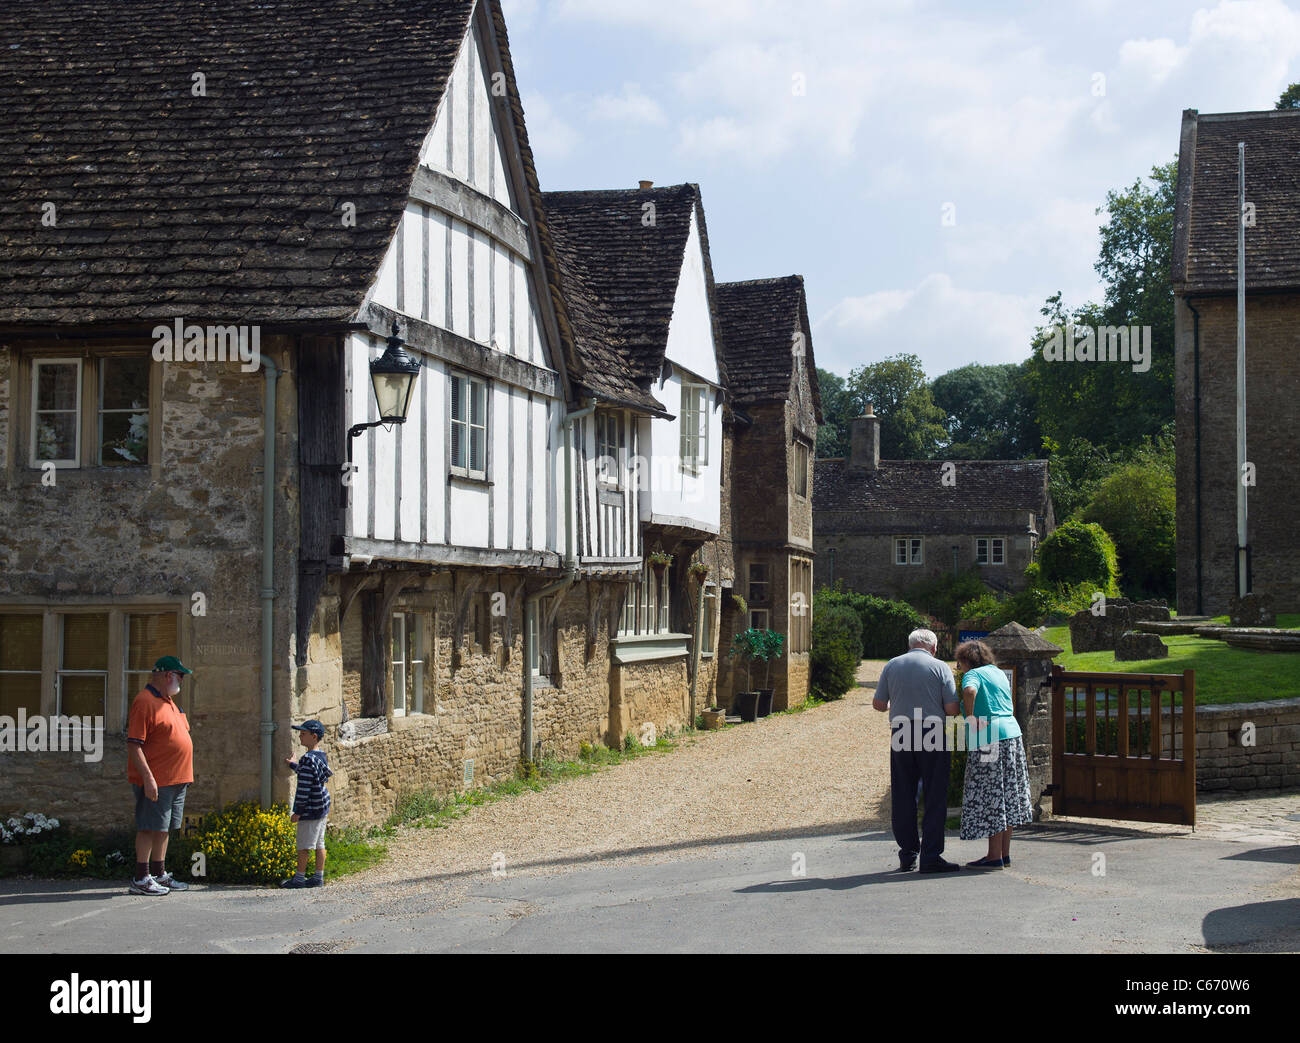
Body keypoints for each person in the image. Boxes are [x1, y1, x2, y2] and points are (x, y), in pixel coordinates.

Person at [872, 629, 960, 873]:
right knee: (934, 793)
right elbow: (952, 709)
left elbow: (879, 704)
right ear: (933, 647)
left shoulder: (892, 665)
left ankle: (907, 854)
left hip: (901, 730)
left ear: (910, 645)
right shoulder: (940, 667)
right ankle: (931, 856)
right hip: (932, 730)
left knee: (903, 793)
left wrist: (898, 702)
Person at [954, 640, 1033, 869]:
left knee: (993, 797)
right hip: (1012, 734)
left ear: (966, 661)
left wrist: (969, 716)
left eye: (960, 664)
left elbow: (970, 692)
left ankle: (993, 857)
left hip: (988, 739)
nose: (961, 669)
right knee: (1007, 795)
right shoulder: (997, 672)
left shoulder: (974, 675)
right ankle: (1004, 854)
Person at [126, 656, 194, 895]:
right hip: (158, 779)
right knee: (148, 826)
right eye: (181, 676)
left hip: (176, 779)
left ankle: (159, 873)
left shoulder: (170, 702)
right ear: (169, 675)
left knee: (163, 828)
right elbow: (134, 744)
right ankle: (141, 877)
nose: (182, 681)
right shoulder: (144, 701)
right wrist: (148, 779)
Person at [281, 720, 332, 889]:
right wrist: (294, 765)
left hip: (310, 810)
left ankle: (299, 879)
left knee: (303, 846)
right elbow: (311, 775)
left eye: (303, 734)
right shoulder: (320, 756)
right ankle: (318, 877)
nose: (300, 736)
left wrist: (298, 812)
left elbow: (304, 789)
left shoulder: (308, 760)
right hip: (321, 807)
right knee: (319, 844)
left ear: (314, 736)